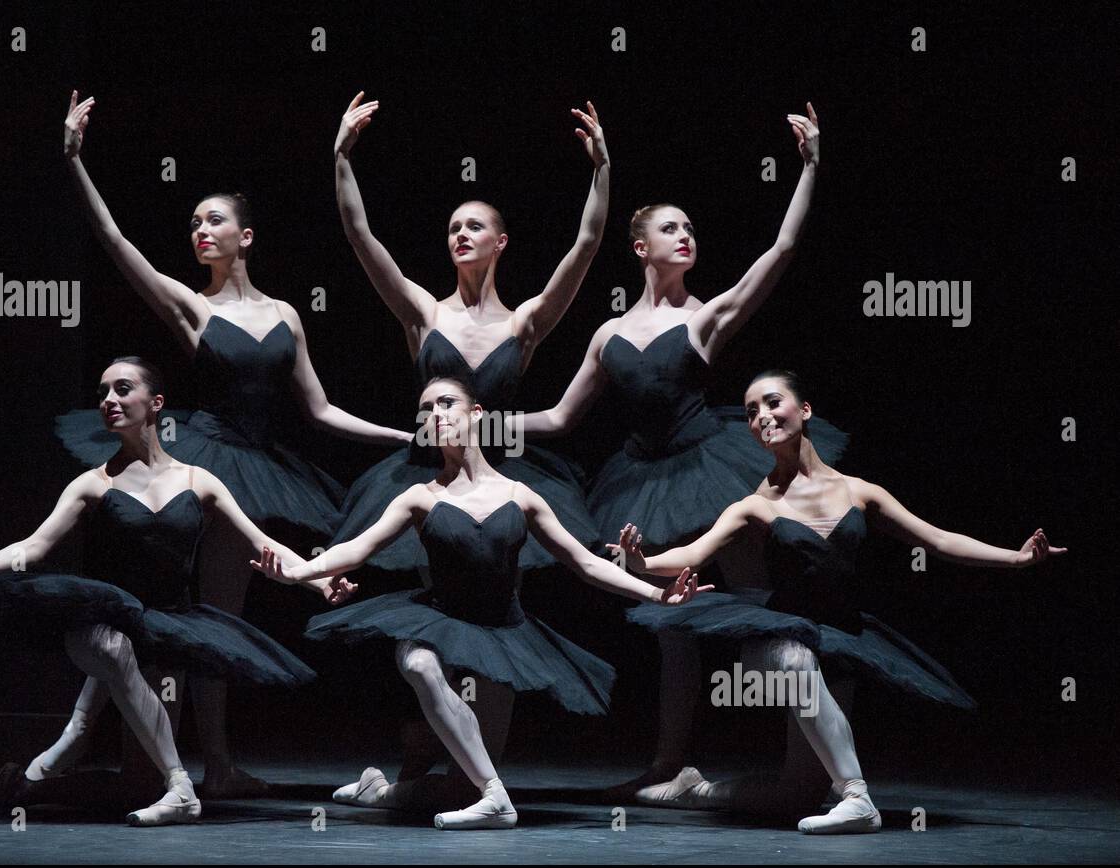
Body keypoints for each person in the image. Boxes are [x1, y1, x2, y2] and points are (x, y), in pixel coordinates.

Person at [55, 92, 404, 796]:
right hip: (201, 460)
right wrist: (74, 161)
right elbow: (119, 247)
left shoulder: (284, 314)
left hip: (260, 465)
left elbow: (322, 410)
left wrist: (398, 433)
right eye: (193, 223)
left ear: (247, 236)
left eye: (214, 219)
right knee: (164, 607)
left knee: (223, 614)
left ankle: (213, 760)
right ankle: (142, 758)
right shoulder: (193, 306)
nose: (200, 230)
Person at [516, 103, 849, 791]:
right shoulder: (608, 336)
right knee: (671, 628)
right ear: (641, 248)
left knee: (765, 607)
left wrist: (811, 166)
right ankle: (671, 764)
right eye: (672, 228)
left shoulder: (704, 319)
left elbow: (779, 253)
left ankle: (804, 763)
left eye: (691, 228)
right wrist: (491, 425)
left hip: (717, 469)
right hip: (642, 482)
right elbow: (558, 417)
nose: (686, 236)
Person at [610, 370, 1065, 833]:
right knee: (792, 659)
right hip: (779, 630)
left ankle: (693, 790)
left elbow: (939, 539)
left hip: (842, 638)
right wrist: (641, 561)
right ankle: (857, 797)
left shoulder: (859, 491)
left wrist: (1015, 558)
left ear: (804, 411)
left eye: (771, 403)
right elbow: (692, 554)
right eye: (751, 412)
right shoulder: (754, 504)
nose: (761, 417)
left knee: (799, 793)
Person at [258, 374, 704, 829]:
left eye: (447, 403)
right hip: (438, 618)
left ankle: (383, 792)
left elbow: (585, 564)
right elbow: (356, 548)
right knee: (418, 666)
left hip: (502, 636)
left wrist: (655, 592)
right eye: (427, 409)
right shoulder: (420, 497)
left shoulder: (520, 496)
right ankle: (497, 799)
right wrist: (298, 572)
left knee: (460, 787)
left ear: (477, 415)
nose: (436, 415)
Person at [0, 358, 354, 825]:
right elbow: (34, 546)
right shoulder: (92, 484)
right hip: (102, 619)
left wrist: (319, 580)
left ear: (156, 404)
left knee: (128, 773)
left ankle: (21, 784)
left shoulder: (200, 481)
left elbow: (265, 546)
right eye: (103, 393)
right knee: (111, 648)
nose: (109, 401)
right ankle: (182, 787)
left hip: (166, 633)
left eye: (122, 389)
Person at [328, 91, 610, 570]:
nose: (460, 234)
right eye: (454, 227)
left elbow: (585, 245)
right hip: (424, 472)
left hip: (502, 470)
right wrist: (341, 157)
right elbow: (360, 234)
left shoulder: (524, 322)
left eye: (474, 227)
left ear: (499, 242)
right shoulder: (424, 313)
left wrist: (603, 170)